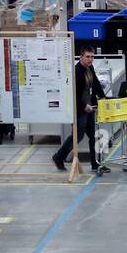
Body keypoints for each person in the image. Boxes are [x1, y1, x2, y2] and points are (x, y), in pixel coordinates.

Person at [53, 46, 110, 174]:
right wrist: (84, 106)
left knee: (93, 136)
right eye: (88, 57)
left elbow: (95, 83)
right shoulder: (77, 72)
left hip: (90, 108)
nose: (90, 59)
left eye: (92, 57)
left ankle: (95, 164)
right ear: (81, 57)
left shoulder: (90, 68)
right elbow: (73, 94)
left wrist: (103, 97)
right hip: (80, 110)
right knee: (77, 136)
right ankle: (59, 156)